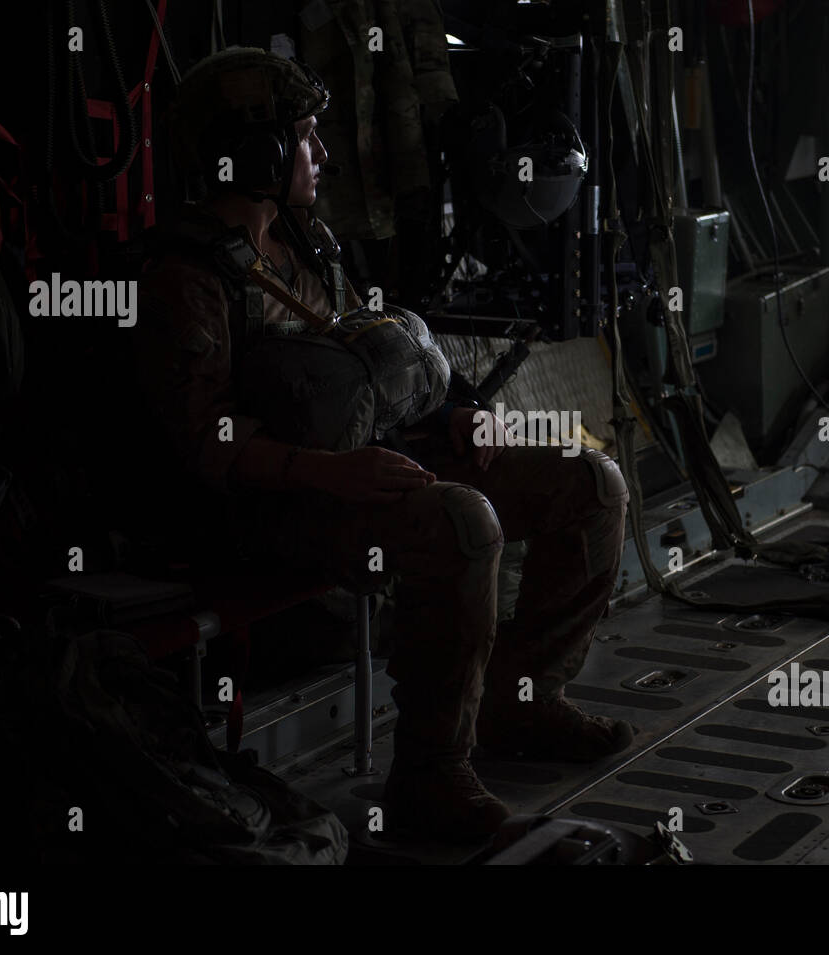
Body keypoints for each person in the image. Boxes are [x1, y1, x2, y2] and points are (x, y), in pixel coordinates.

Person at [133, 47, 634, 842]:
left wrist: (460, 411)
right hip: (268, 503)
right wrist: (331, 472)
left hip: (368, 462)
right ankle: (431, 778)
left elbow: (367, 351)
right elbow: (207, 440)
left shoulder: (307, 242)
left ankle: (523, 701)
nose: (321, 153)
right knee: (461, 523)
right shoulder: (188, 277)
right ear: (258, 152)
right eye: (304, 136)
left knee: (593, 483)